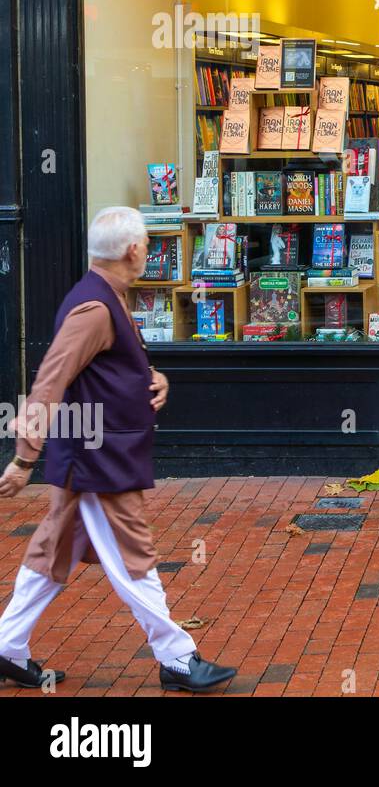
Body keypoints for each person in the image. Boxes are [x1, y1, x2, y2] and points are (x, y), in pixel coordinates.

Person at [0, 207, 237, 693]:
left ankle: (6, 647)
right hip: (99, 462)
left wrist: (151, 378)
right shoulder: (95, 308)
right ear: (133, 251)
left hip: (92, 455)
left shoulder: (105, 296)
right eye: (147, 243)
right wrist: (25, 457)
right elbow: (50, 379)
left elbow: (102, 370)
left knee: (49, 555)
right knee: (135, 556)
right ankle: (177, 657)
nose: (148, 250)